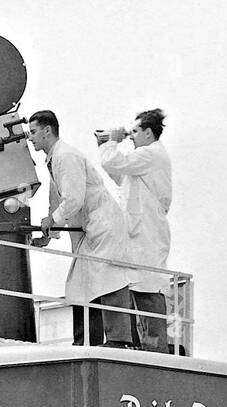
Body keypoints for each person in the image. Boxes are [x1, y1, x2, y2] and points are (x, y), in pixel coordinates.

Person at [26, 110, 138, 347]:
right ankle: (86, 340)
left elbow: (73, 199)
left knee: (111, 278)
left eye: (33, 132)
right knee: (80, 284)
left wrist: (52, 220)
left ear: (48, 130)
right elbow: (57, 198)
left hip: (104, 224)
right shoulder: (54, 159)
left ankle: (120, 340)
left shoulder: (66, 156)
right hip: (92, 228)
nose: (30, 137)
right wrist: (49, 232)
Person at [99, 108, 173, 353]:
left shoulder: (150, 154)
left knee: (149, 291)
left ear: (148, 133)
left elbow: (113, 161)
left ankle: (155, 351)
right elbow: (120, 174)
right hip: (140, 234)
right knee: (139, 288)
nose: (130, 136)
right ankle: (146, 347)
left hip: (147, 235)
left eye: (135, 131)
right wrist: (105, 144)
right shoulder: (146, 159)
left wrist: (111, 142)